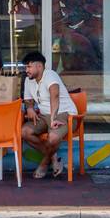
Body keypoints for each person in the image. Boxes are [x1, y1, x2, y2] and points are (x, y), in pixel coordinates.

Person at [20, 50, 77, 178]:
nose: (26, 70)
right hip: (44, 115)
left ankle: (45, 163)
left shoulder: (50, 75)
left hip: (64, 114)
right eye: (26, 67)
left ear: (39, 66)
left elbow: (55, 96)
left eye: (29, 66)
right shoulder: (29, 80)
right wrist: (29, 108)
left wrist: (53, 118)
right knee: (24, 132)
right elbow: (28, 100)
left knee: (53, 138)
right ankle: (53, 158)